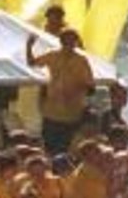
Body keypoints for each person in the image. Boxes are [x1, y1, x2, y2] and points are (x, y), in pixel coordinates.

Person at [24, 9, 92, 159]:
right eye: (66, 42)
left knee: (65, 149)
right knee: (49, 148)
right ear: (61, 42)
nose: (69, 45)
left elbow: (90, 86)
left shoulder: (81, 60)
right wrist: (29, 46)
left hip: (71, 113)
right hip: (51, 111)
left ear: (75, 43)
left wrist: (76, 89)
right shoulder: (53, 55)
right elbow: (32, 63)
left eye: (72, 42)